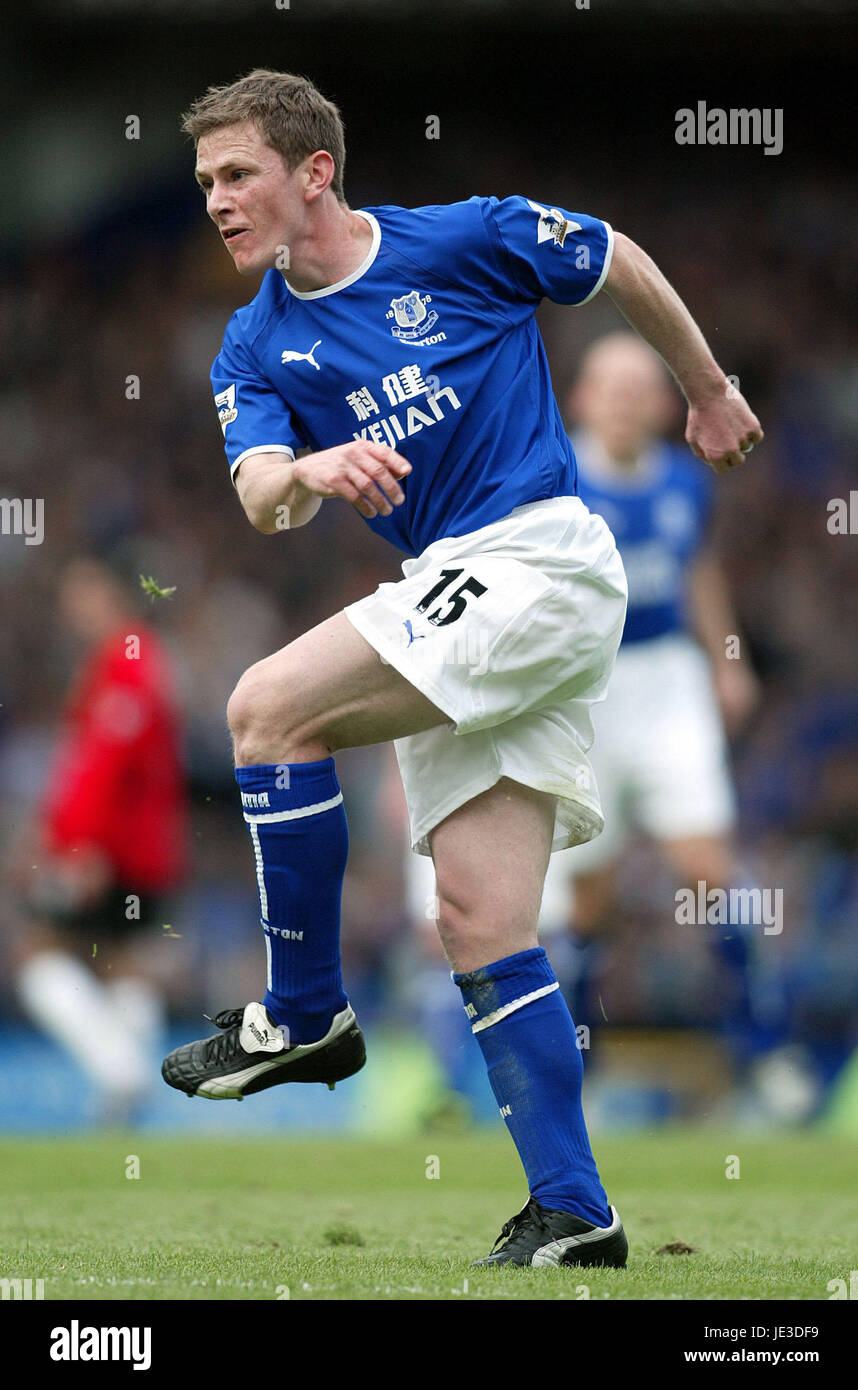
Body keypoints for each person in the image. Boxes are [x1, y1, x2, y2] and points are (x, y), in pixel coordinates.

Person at [161, 69, 762, 1268]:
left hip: (537, 555)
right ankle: (574, 1210)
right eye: (205, 183)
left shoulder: (469, 238)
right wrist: (312, 471)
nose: (217, 201)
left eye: (237, 175)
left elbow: (614, 255)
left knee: (264, 706)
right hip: (466, 594)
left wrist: (704, 388)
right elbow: (258, 494)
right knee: (481, 921)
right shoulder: (253, 342)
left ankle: (306, 1007)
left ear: (312, 172)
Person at [538, 332, 768, 1071]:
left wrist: (725, 658)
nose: (625, 402)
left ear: (665, 407)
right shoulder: (555, 477)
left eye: (639, 390)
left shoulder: (683, 481)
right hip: (585, 687)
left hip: (668, 679)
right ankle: (584, 1058)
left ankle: (759, 1048)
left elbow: (696, 567)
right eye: (611, 387)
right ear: (580, 399)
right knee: (588, 897)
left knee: (706, 868)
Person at [11, 556, 189, 1120]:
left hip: (113, 852)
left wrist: (75, 845)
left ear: (113, 595)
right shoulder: (137, 659)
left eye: (83, 593)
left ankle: (122, 1073)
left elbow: (105, 764)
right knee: (124, 963)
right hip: (147, 851)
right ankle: (127, 1086)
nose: (72, 608)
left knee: (35, 956)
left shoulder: (126, 660)